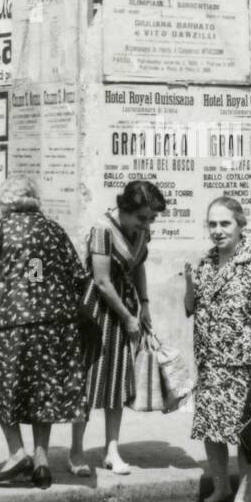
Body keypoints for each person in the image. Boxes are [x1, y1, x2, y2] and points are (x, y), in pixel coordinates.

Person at [0, 174, 90, 490]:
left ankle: (16, 452)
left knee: (2, 387)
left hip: (11, 324)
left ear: (5, 203)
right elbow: (78, 277)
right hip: (53, 325)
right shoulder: (53, 230)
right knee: (42, 391)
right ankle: (41, 462)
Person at [184, 197, 251, 502]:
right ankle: (222, 490)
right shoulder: (207, 262)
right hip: (211, 363)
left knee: (246, 433)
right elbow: (192, 309)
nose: (217, 230)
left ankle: (246, 495)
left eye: (224, 223)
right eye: (212, 224)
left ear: (241, 225)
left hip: (245, 364)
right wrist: (187, 285)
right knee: (211, 430)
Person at [68, 180, 167, 476]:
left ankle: (112, 450)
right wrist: (127, 316)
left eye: (151, 218)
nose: (147, 224)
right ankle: (76, 451)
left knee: (118, 382)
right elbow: (101, 281)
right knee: (88, 381)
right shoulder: (103, 229)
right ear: (125, 209)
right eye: (142, 217)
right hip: (97, 312)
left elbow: (138, 266)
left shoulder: (141, 231)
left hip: (126, 310)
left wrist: (145, 303)